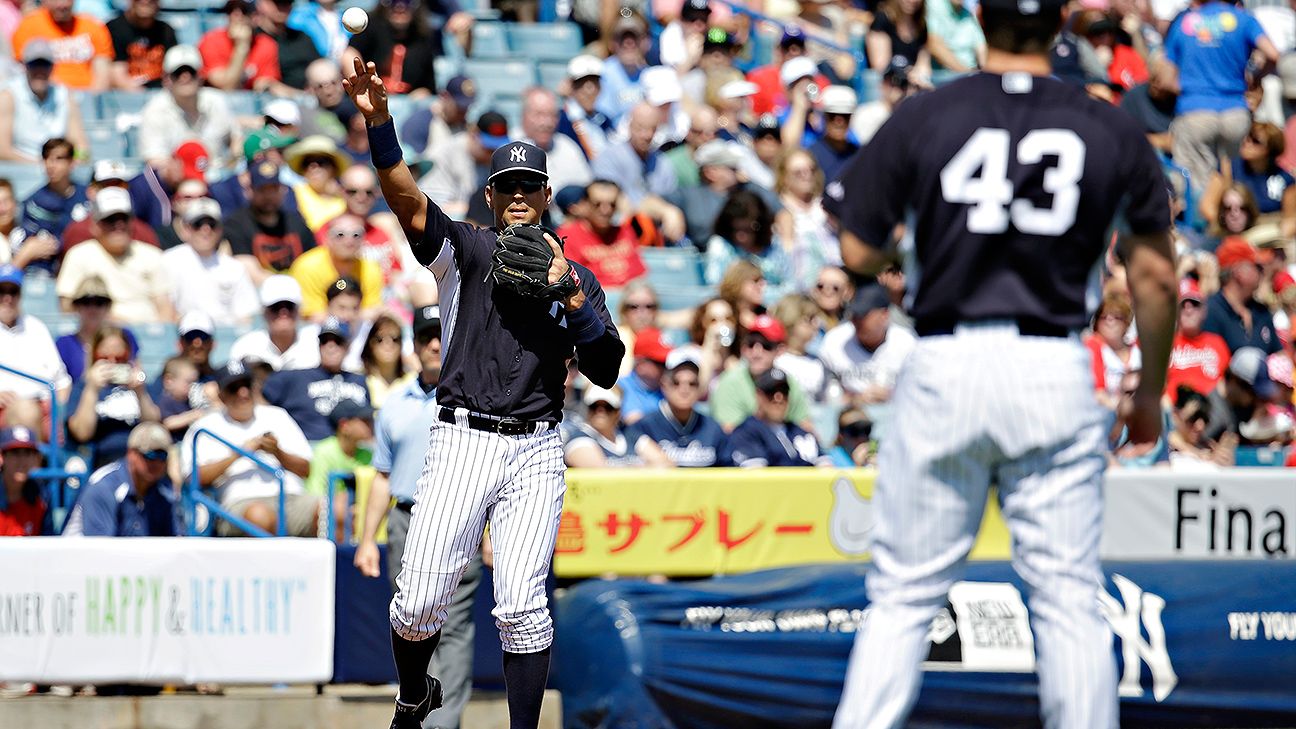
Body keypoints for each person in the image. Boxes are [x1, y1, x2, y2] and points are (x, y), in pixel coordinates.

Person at [823, 0, 1177, 722]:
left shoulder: (928, 115)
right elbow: (1157, 280)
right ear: (1059, 25)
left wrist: (922, 243)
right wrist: (1148, 394)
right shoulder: (1108, 124)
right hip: (1053, 361)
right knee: (1068, 595)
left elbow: (857, 249)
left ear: (980, 21)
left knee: (902, 597)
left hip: (947, 356)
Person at [343, 53, 624, 728]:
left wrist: (572, 297)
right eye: (509, 185)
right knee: (416, 604)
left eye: (531, 183)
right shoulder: (466, 251)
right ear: (492, 195)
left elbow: (608, 368)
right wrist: (381, 123)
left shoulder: (577, 274)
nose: (520, 193)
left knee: (524, 606)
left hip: (536, 446)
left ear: (549, 195)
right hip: (463, 436)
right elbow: (407, 201)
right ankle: (416, 695)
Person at [354, 304, 482, 729]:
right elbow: (382, 476)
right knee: (410, 623)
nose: (434, 343)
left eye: (441, 333)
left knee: (456, 625)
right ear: (414, 345)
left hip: (460, 518)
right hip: (406, 518)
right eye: (426, 336)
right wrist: (368, 537)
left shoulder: (476, 394)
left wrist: (491, 531)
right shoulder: (395, 402)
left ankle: (440, 723)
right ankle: (418, 709)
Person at [183, 359, 320, 537]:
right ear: (222, 395)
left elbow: (305, 469)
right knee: (259, 516)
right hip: (240, 501)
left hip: (291, 496)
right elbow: (193, 477)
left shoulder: (277, 415)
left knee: (335, 508)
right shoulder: (205, 427)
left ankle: (337, 564)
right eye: (234, 388)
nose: (243, 393)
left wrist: (277, 452)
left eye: (247, 385)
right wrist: (238, 454)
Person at [1163, 0, 1278, 194]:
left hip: (1195, 112)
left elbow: (1166, 79)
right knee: (1234, 182)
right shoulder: (1243, 19)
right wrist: (1255, 78)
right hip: (1235, 112)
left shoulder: (1185, 21)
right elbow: (1273, 54)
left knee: (1194, 187)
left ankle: (1203, 223)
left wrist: (1192, 89)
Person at [55, 187, 176, 324]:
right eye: (110, 219)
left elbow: (165, 308)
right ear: (95, 225)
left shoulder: (152, 255)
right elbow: (67, 306)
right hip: (98, 335)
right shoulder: (79, 255)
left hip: (148, 335)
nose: (119, 225)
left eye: (124, 218)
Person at [66, 325, 161, 470]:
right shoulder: (82, 388)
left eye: (119, 358)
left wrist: (140, 393)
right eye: (104, 358)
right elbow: (82, 433)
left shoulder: (141, 388)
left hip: (142, 460)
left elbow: (154, 428)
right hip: (102, 461)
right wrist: (91, 389)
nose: (112, 363)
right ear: (94, 357)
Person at [260, 316, 370, 441]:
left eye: (338, 341)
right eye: (325, 341)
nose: (331, 347)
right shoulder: (295, 377)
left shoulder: (360, 380)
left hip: (350, 452)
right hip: (308, 449)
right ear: (319, 346)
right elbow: (260, 398)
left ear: (348, 347)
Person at [62, 422, 179, 537]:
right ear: (131, 453)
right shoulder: (104, 487)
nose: (157, 463)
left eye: (163, 456)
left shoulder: (163, 493)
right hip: (79, 554)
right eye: (150, 455)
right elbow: (100, 549)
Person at [137, 45, 240, 172]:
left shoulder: (217, 101)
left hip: (217, 177)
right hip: (177, 183)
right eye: (177, 73)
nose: (185, 77)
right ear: (166, 79)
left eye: (191, 71)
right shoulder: (154, 110)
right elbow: (154, 161)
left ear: (201, 76)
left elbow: (236, 139)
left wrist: (232, 164)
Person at [162, 196, 260, 326]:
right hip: (186, 335)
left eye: (212, 224)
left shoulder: (234, 268)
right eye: (198, 224)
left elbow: (246, 315)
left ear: (220, 229)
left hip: (226, 336)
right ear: (186, 229)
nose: (206, 230)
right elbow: (166, 312)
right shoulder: (169, 261)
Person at [710, 314, 813, 431]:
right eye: (751, 343)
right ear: (743, 348)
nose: (756, 352)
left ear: (780, 349)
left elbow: (806, 427)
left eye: (766, 345)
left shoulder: (788, 383)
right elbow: (728, 433)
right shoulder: (729, 383)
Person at [626, 350, 731, 467]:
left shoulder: (712, 428)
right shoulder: (645, 427)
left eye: (692, 383)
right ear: (664, 384)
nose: (685, 390)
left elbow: (729, 471)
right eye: (676, 383)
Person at [0, 265, 71, 434]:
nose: (7, 298)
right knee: (26, 411)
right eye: (1, 292)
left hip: (43, 408)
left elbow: (62, 383)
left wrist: (58, 414)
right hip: (7, 412)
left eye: (13, 292)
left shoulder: (36, 327)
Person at [223, 161, 317, 282]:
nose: (269, 196)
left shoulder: (296, 222)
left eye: (274, 189)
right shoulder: (235, 225)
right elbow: (247, 270)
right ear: (249, 190)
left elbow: (313, 260)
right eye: (262, 190)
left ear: (283, 190)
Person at [0, 39, 87, 163]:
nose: (39, 70)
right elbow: (2, 150)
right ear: (24, 66)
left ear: (52, 67)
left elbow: (81, 146)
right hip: (20, 169)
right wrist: (42, 166)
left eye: (45, 64)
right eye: (34, 64)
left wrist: (76, 160)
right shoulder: (9, 95)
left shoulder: (65, 95)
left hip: (59, 168)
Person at [555, 180, 647, 289]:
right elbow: (571, 282)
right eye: (597, 204)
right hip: (594, 300)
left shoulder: (625, 231)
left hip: (629, 298)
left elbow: (639, 274)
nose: (605, 210)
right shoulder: (567, 236)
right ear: (585, 204)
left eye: (612, 205)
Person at [290, 214, 384, 319]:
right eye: (340, 235)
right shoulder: (307, 267)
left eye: (356, 235)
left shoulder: (370, 269)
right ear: (327, 238)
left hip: (357, 329)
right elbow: (312, 315)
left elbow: (373, 311)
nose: (349, 241)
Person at [16, 137, 87, 273]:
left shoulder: (87, 197)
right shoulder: (33, 203)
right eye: (46, 158)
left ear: (72, 163)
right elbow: (39, 245)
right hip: (47, 267)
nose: (51, 164)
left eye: (59, 158)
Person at [728, 368, 826, 467]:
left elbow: (827, 469)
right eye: (771, 391)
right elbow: (757, 477)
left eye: (784, 392)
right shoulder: (746, 432)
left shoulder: (800, 432)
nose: (778, 398)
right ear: (758, 395)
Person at [1203, 237, 1282, 355]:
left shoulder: (1262, 312)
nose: (1264, 272)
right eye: (1258, 267)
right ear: (1238, 272)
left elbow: (1278, 354)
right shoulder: (1210, 310)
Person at [10, 0, 113, 91]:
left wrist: (91, 99)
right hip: (48, 97)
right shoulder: (28, 26)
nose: (62, 4)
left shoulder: (93, 26)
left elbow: (102, 72)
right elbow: (24, 69)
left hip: (88, 96)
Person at [54, 275, 138, 384]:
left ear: (108, 306)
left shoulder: (124, 336)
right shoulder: (64, 344)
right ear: (76, 306)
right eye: (86, 302)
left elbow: (136, 371)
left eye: (99, 302)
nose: (92, 309)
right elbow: (61, 389)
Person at [227, 275, 320, 370]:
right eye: (276, 307)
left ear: (299, 310)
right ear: (263, 312)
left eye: (289, 306)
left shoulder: (317, 344)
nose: (284, 313)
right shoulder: (245, 348)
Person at [564, 385, 670, 467]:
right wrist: (645, 467)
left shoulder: (628, 434)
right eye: (594, 406)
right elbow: (600, 472)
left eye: (608, 407)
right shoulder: (578, 438)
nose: (600, 411)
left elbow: (666, 464)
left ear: (618, 411)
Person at [1166, 277, 1231, 399]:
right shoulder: (1164, 344)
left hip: (1213, 409)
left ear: (1204, 310)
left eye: (1194, 304)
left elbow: (1228, 385)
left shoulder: (1217, 343)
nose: (1188, 310)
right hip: (1175, 410)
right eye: (1182, 305)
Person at [198, 0, 280, 92]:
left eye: (244, 10)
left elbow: (265, 84)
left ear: (256, 17)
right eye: (230, 10)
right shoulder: (211, 41)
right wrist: (241, 47)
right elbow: (227, 87)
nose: (236, 15)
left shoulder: (266, 44)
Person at [1085, 290, 1142, 409]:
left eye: (1117, 317)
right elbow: (1098, 394)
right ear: (1096, 322)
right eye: (1104, 317)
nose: (1110, 321)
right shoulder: (1094, 347)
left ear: (1126, 322)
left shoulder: (1138, 347)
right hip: (1109, 413)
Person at [106, 0, 177, 90]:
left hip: (160, 93)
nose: (145, 2)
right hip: (126, 95)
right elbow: (117, 76)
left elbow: (173, 71)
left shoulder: (166, 31)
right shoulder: (114, 29)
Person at [557, 55, 614, 161]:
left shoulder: (605, 120)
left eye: (595, 83)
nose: (590, 90)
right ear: (571, 87)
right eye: (581, 84)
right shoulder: (561, 120)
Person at [615, 327, 670, 425]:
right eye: (660, 362)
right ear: (640, 363)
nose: (666, 367)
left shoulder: (669, 388)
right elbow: (635, 423)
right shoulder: (621, 387)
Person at [0, 425, 47, 536]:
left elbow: (48, 544)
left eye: (27, 453)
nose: (22, 461)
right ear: (2, 457)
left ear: (36, 459)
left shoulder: (41, 497)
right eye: (15, 453)